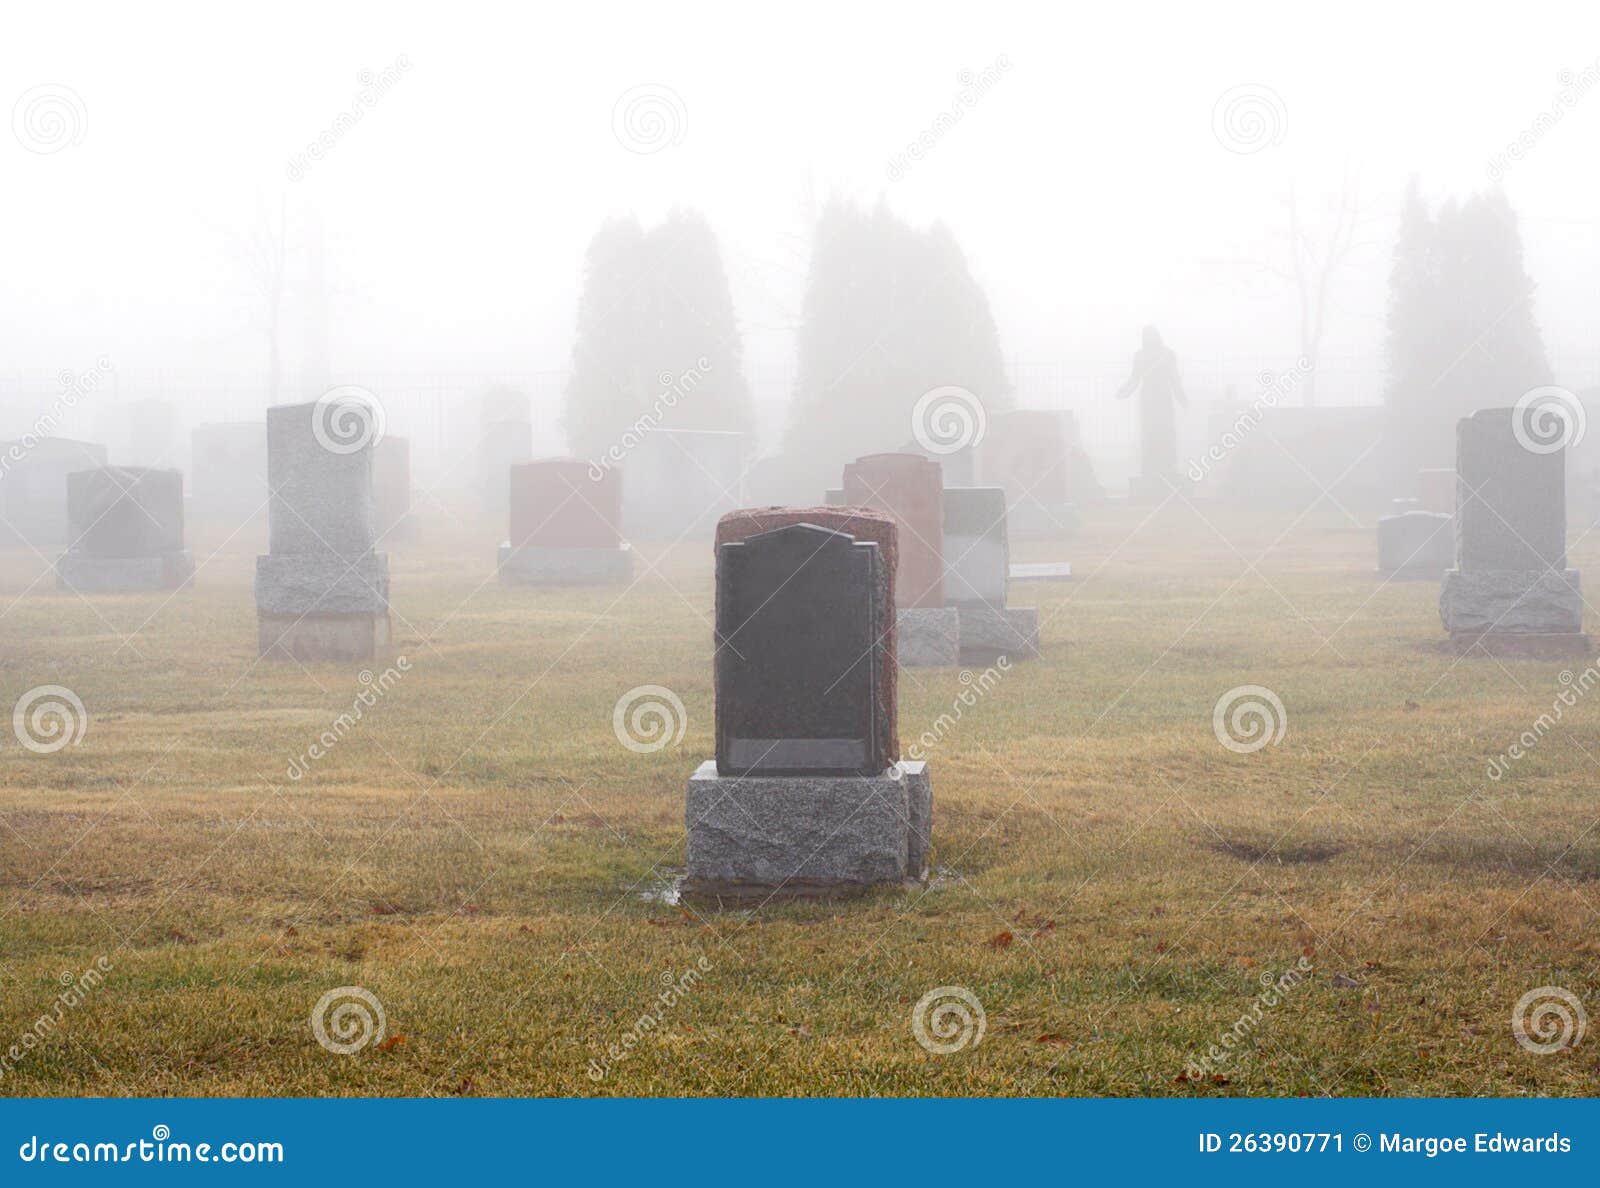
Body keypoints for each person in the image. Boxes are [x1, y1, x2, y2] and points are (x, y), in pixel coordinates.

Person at [1115, 326, 1187, 489]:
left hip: (1160, 400)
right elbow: (1134, 379)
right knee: (1150, 433)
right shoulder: (1142, 356)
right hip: (1151, 400)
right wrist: (1124, 391)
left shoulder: (1166, 355)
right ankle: (1152, 469)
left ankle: (1166, 468)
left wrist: (1182, 398)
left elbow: (1174, 379)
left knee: (1165, 432)